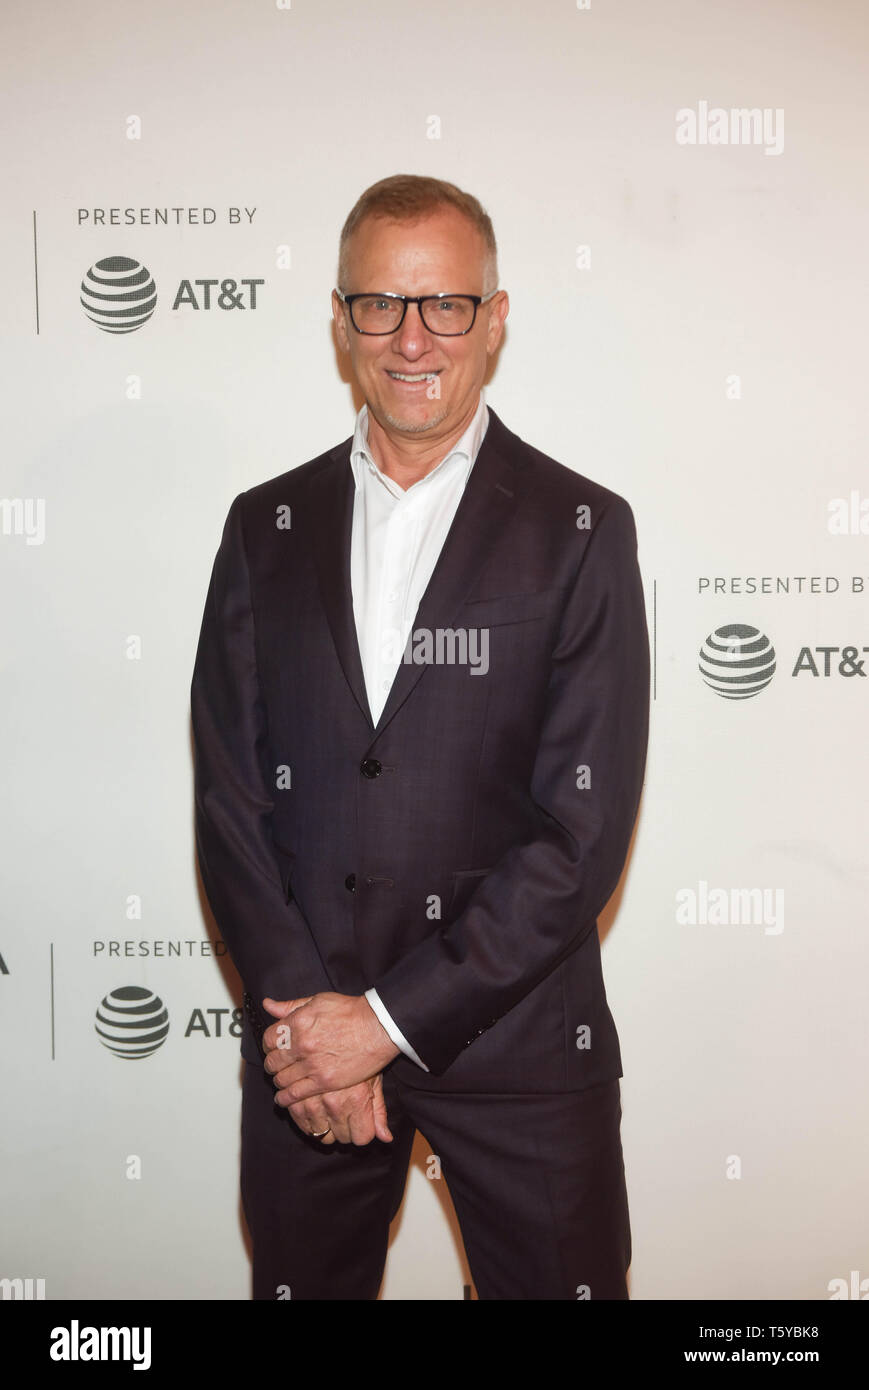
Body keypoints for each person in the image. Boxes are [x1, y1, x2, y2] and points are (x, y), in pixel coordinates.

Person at [190, 173, 649, 1300]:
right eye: (379, 306)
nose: (411, 339)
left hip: (520, 1052)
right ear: (340, 321)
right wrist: (312, 1026)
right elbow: (230, 798)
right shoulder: (265, 525)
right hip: (306, 1052)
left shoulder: (579, 528)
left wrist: (385, 1024)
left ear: (493, 320)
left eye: (444, 304)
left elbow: (579, 833)